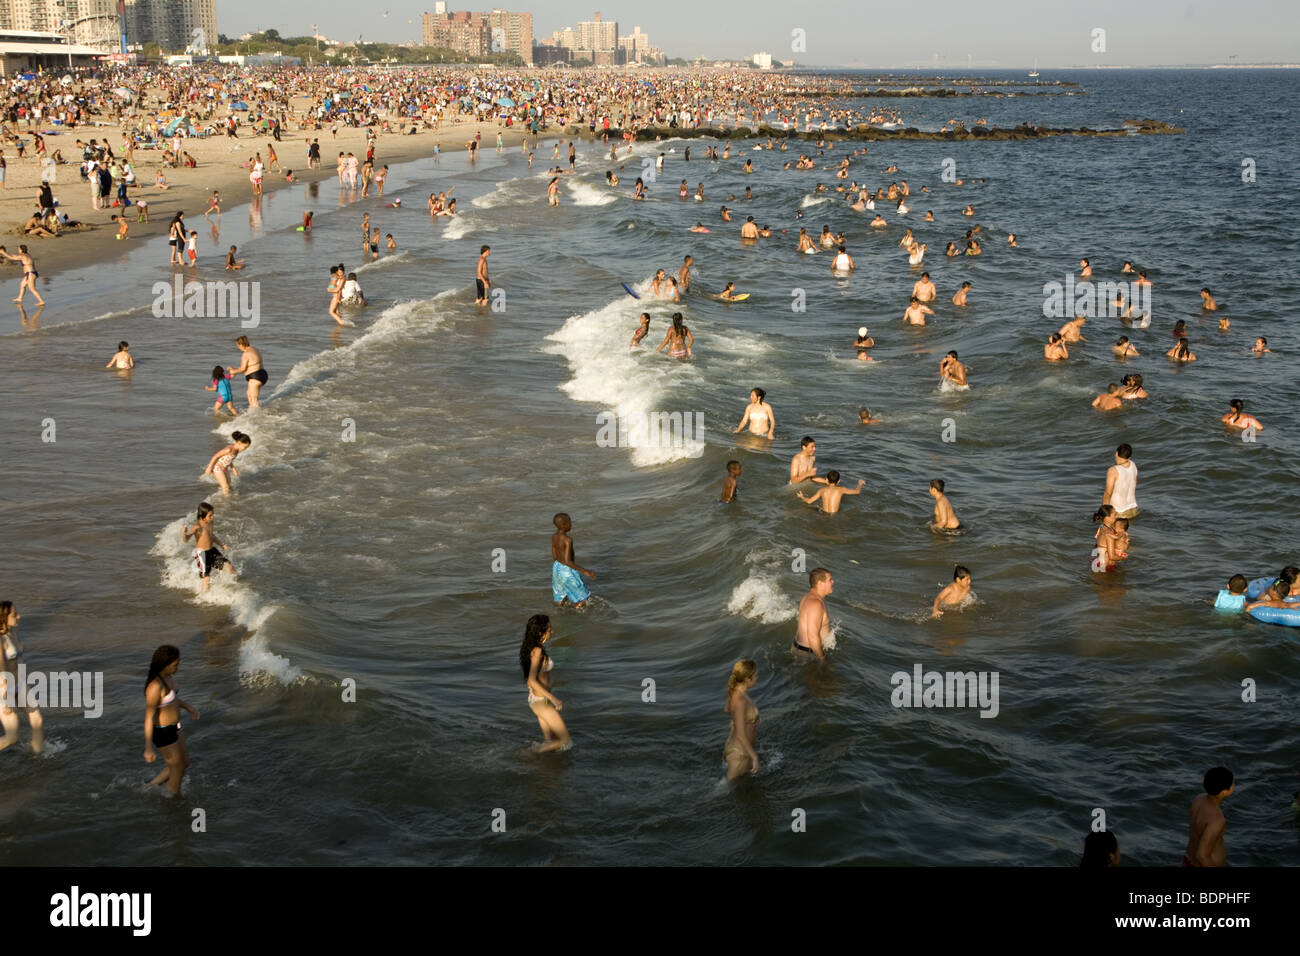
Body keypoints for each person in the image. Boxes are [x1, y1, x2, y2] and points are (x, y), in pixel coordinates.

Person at [143, 644, 199, 795]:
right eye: (175, 664)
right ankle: (174, 800)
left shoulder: (168, 677)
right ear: (165, 665)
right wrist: (148, 748)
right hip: (163, 732)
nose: (178, 667)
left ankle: (150, 786)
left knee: (184, 763)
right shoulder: (155, 687)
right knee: (177, 769)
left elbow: (172, 700)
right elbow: (148, 717)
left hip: (175, 727)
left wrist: (188, 707)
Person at [520, 614, 570, 753]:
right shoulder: (538, 651)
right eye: (549, 629)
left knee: (551, 742)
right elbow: (531, 679)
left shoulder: (529, 648)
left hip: (535, 699)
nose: (551, 632)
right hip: (541, 702)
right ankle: (528, 754)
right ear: (540, 632)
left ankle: (543, 764)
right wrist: (554, 699)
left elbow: (531, 678)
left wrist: (552, 686)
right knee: (565, 741)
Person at [1, 601, 43, 754]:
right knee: (12, 737)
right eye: (14, 615)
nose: (19, 616)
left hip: (20, 685)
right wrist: (6, 696)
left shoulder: (13, 632)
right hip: (4, 689)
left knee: (37, 721)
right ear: (3, 618)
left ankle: (38, 757)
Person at [1184, 767, 1234, 867]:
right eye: (1232, 783)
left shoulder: (1199, 799)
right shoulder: (1217, 820)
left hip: (1188, 859)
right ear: (1224, 792)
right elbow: (1201, 856)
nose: (1234, 785)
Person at [182, 501, 235, 593]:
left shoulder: (210, 523)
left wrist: (221, 544)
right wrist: (184, 533)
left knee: (229, 567)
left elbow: (211, 536)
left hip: (212, 551)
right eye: (210, 515)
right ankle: (203, 598)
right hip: (201, 554)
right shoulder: (197, 527)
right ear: (202, 516)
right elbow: (186, 539)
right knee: (206, 579)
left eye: (213, 514)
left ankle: (235, 587)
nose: (212, 517)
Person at [723, 660, 760, 779]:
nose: (757, 678)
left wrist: (748, 720)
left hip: (739, 749)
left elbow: (727, 709)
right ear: (747, 679)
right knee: (724, 789)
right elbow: (740, 734)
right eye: (755, 675)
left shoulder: (736, 691)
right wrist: (755, 757)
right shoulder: (740, 700)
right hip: (739, 754)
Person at [551, 513, 595, 607]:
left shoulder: (554, 536)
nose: (571, 524)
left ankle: (559, 609)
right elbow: (567, 561)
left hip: (557, 567)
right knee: (582, 597)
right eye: (570, 522)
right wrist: (586, 571)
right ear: (564, 525)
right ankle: (578, 612)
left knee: (560, 594)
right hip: (567, 570)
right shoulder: (567, 539)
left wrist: (560, 563)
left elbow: (554, 555)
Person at [793, 568, 834, 661]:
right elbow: (812, 636)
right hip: (808, 654)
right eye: (830, 580)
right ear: (820, 584)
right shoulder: (816, 604)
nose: (833, 581)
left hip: (802, 650)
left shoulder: (807, 597)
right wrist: (822, 659)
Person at [203, 432, 251, 496]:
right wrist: (209, 468)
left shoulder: (236, 451)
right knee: (225, 487)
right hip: (218, 468)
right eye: (245, 447)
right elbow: (215, 456)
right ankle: (225, 502)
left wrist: (233, 468)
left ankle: (228, 497)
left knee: (229, 486)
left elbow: (229, 459)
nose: (245, 449)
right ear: (239, 443)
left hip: (225, 469)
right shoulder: (229, 449)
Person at [797, 470, 864, 513]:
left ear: (827, 480)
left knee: (812, 508)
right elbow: (857, 491)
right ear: (838, 481)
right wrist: (860, 484)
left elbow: (809, 501)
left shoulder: (822, 490)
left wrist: (802, 497)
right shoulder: (841, 489)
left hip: (823, 513)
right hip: (834, 515)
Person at [1102, 443, 1138, 519]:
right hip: (1134, 510)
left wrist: (1104, 514)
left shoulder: (1113, 470)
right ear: (1129, 456)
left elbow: (1108, 493)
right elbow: (1135, 483)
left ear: (1116, 453)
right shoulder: (1133, 465)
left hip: (1119, 512)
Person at [228, 336, 266, 408]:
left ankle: (258, 415)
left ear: (241, 344)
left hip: (255, 377)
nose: (238, 348)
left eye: (238, 345)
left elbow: (242, 369)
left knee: (253, 398)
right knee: (249, 394)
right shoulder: (255, 350)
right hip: (261, 374)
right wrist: (234, 370)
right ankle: (252, 412)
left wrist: (233, 371)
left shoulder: (246, 354)